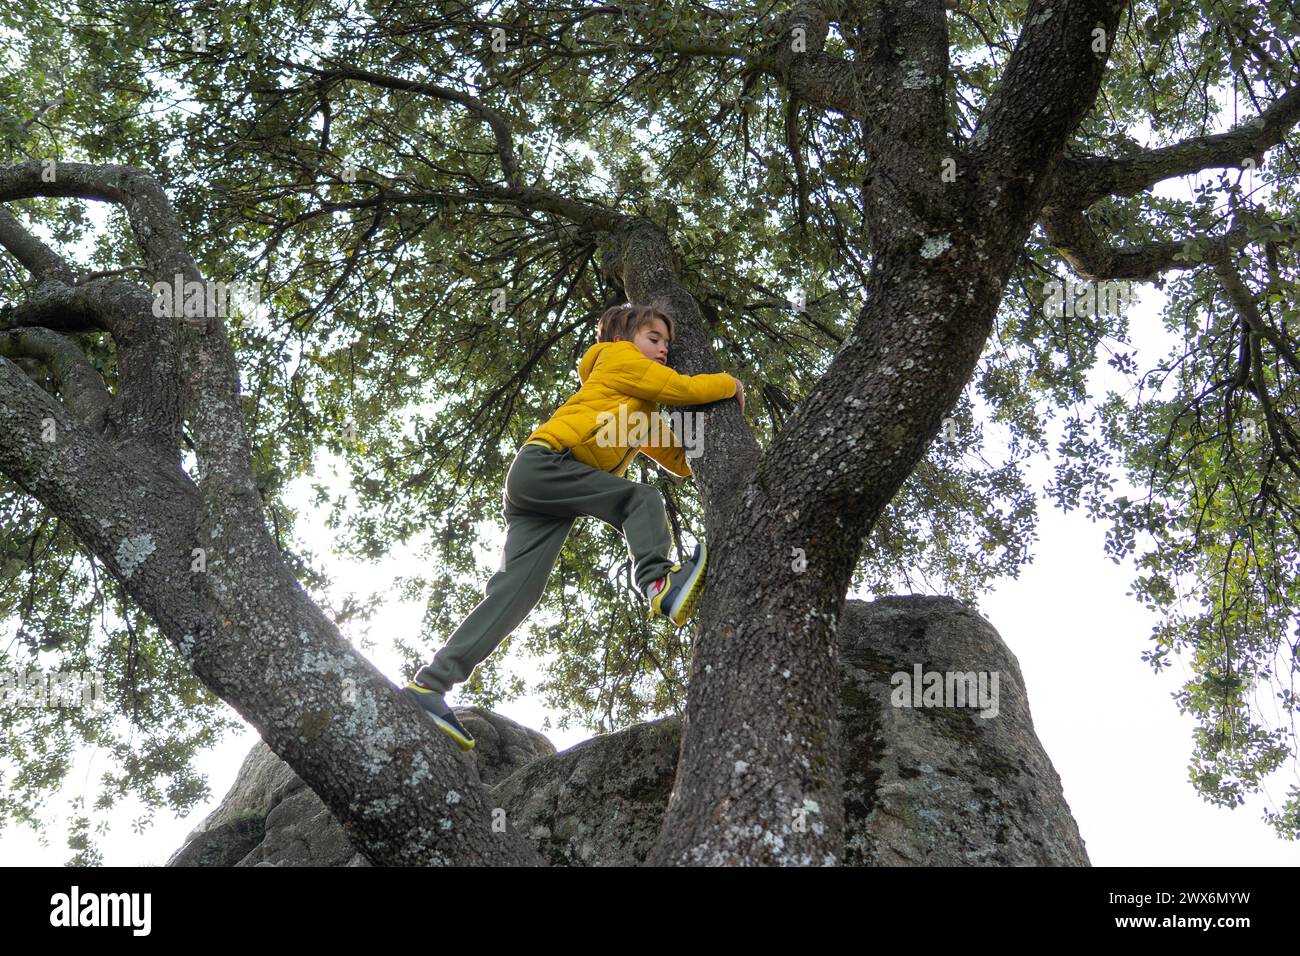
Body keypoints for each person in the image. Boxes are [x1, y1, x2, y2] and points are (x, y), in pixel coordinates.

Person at [401, 302, 745, 750]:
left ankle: (429, 687)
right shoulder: (617, 360)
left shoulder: (637, 412)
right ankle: (659, 581)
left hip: (546, 495)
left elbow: (682, 461)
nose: (663, 350)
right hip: (547, 463)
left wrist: (728, 432)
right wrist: (728, 385)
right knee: (638, 499)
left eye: (667, 344)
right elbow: (678, 388)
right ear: (623, 340)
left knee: (514, 595)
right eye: (653, 339)